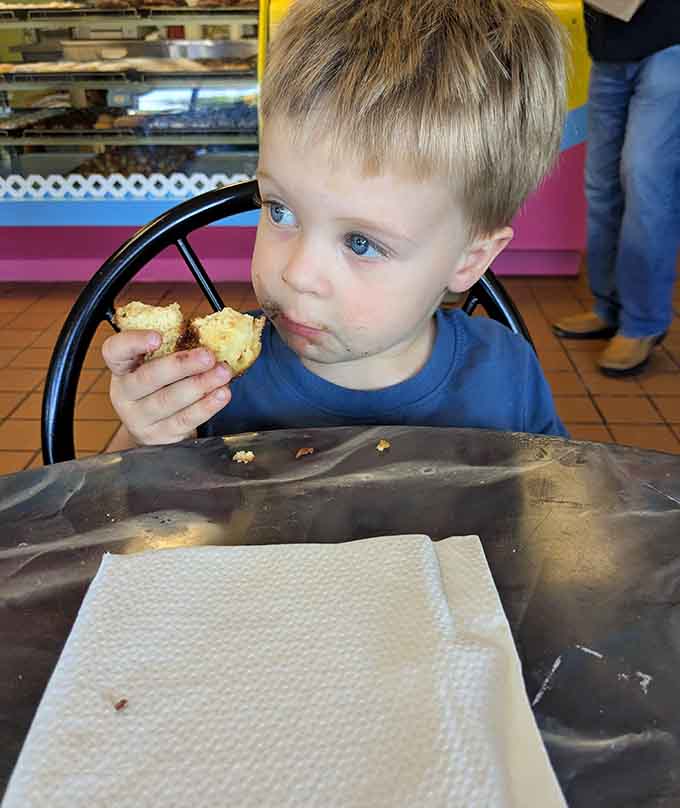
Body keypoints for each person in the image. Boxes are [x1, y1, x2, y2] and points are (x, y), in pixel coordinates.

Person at [103, 0, 569, 452]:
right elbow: (130, 515)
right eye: (280, 210)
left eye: (362, 243)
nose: (297, 274)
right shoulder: (210, 386)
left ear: (470, 260)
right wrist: (150, 433)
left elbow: (558, 504)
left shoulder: (506, 376)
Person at [552, 1, 680, 376]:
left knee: (645, 182)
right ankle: (609, 307)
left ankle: (643, 322)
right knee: (602, 185)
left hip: (669, 45)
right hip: (609, 46)